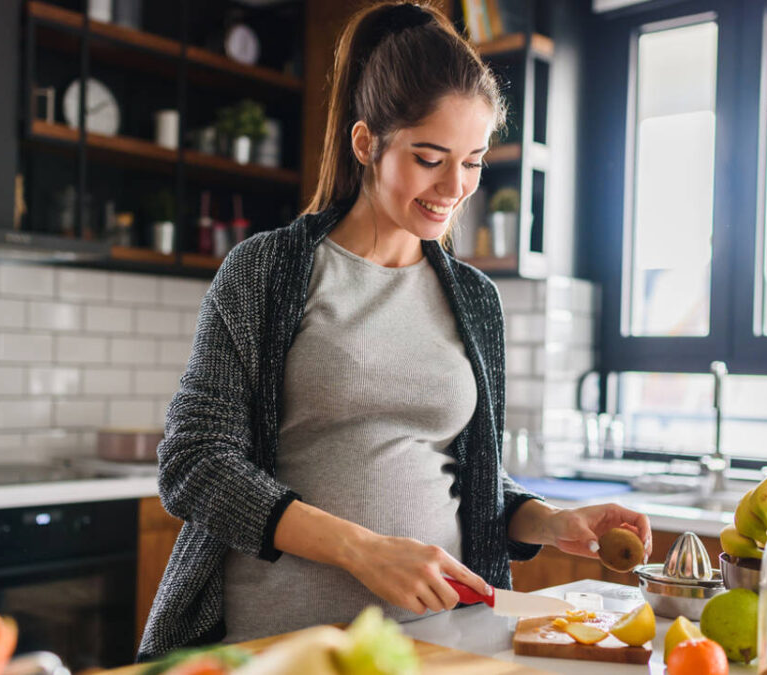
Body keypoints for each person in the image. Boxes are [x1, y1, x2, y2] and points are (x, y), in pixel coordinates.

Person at [137, 1, 652, 659]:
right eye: (430, 157)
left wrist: (549, 521)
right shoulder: (267, 270)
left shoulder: (475, 300)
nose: (455, 187)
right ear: (366, 144)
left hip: (435, 644)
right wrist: (363, 550)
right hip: (280, 646)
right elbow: (194, 462)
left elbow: (470, 480)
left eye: (473, 161)